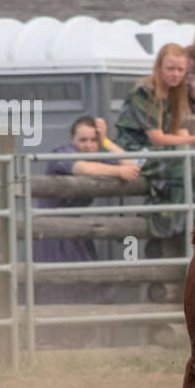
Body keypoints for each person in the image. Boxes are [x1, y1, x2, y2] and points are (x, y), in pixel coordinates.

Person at [116, 43, 195, 238]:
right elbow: (157, 139)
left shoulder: (176, 92)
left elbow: (177, 131)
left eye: (180, 69)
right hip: (135, 151)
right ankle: (180, 218)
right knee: (188, 156)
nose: (175, 74)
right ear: (159, 67)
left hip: (161, 151)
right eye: (170, 68)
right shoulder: (145, 91)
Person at [32, 116, 139, 306]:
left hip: (75, 232)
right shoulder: (62, 152)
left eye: (93, 140)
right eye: (83, 140)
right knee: (55, 291)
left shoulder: (99, 160)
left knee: (87, 288)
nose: (88, 145)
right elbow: (83, 168)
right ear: (72, 140)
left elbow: (132, 164)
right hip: (51, 232)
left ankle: (82, 334)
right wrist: (117, 172)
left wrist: (106, 140)